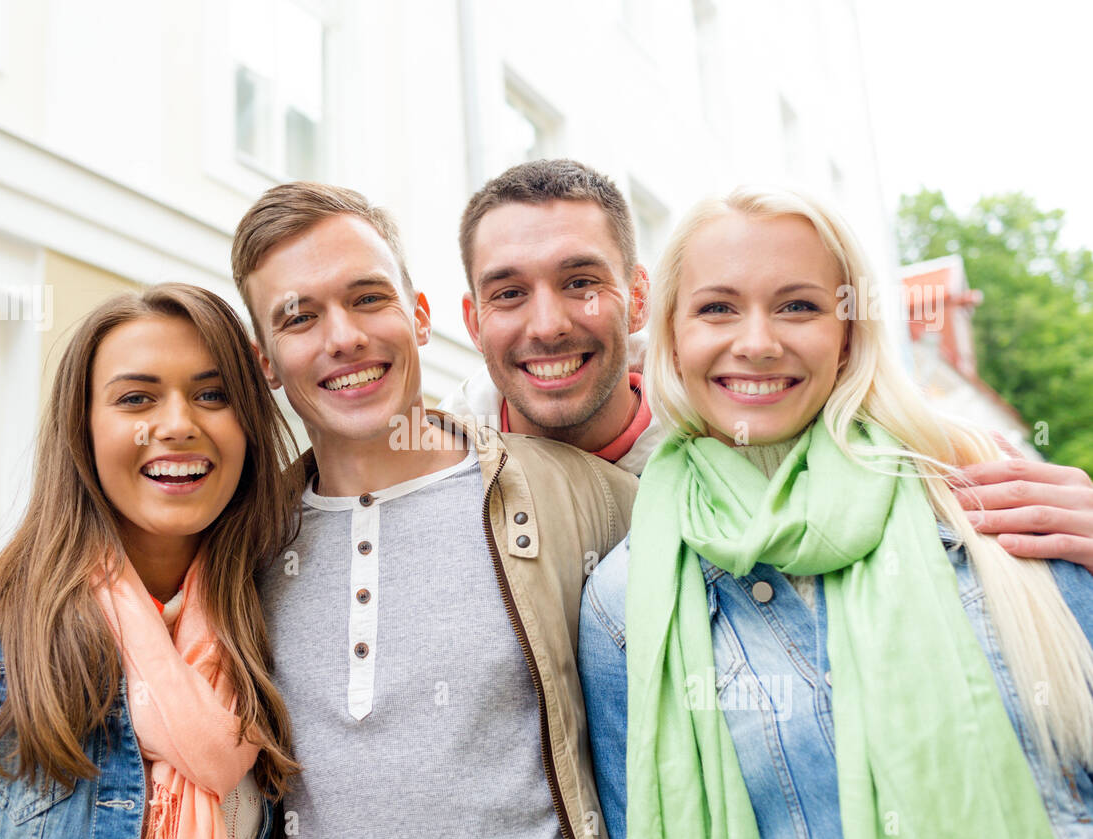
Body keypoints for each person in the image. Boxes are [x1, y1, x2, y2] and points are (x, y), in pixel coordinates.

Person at [0, 183, 639, 839]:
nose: (344, 338)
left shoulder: (579, 500)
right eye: (300, 317)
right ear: (268, 359)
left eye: (369, 298)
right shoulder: (251, 555)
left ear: (421, 314)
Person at [579, 187, 1093, 839]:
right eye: (717, 308)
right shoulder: (624, 600)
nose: (758, 343)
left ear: (847, 330)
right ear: (673, 334)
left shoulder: (993, 507)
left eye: (798, 306)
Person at [442, 158, 1093, 573]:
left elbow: (888, 436)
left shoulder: (740, 428)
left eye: (581, 281)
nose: (549, 324)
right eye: (508, 293)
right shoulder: (437, 476)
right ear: (473, 322)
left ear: (638, 298)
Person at [0, 284, 301, 839]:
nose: (178, 424)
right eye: (136, 398)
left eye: (213, 394)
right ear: (81, 428)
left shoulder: (279, 622)